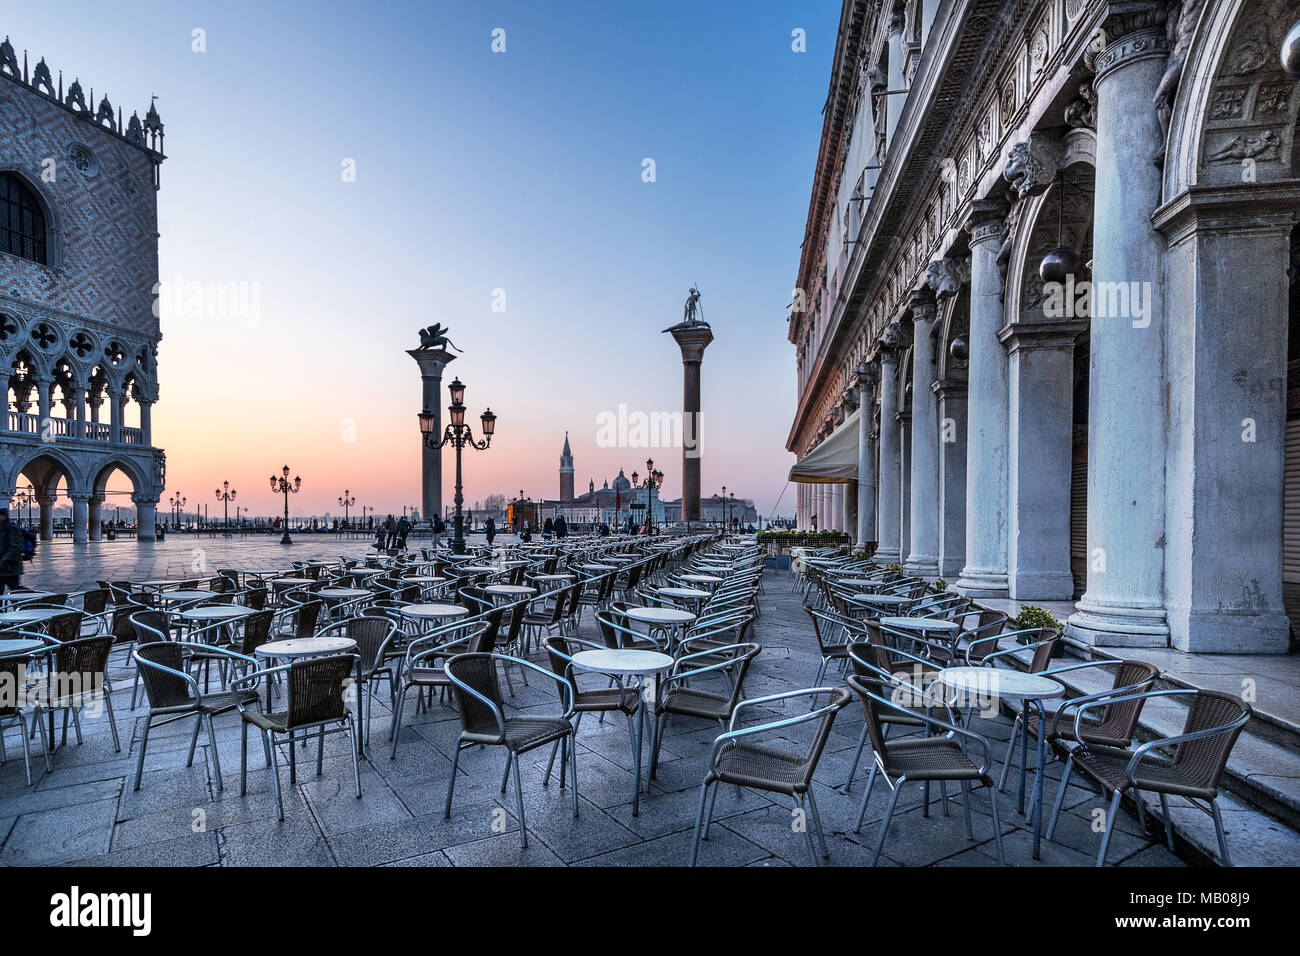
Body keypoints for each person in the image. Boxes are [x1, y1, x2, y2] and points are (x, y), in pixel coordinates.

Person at [0, 508, 26, 593]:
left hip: (11, 567)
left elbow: (15, 547)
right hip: (3, 567)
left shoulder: (12, 528)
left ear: (3, 516)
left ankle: (31, 598)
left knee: (15, 589)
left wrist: (3, 560)